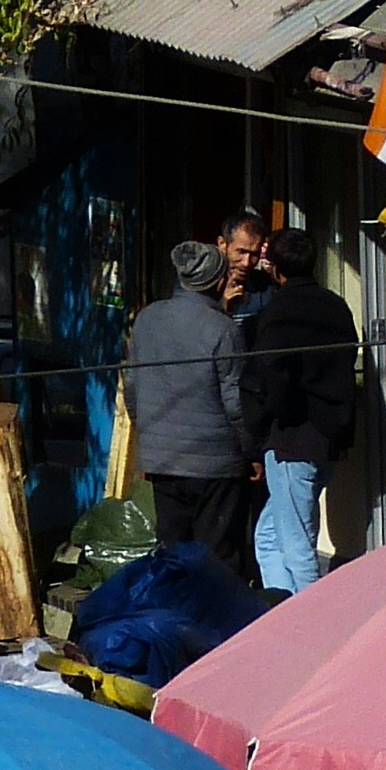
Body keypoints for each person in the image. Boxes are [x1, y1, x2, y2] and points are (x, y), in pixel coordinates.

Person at [240, 230, 363, 597]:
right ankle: (281, 607)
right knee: (270, 533)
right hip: (328, 437)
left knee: (296, 544)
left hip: (294, 440)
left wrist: (271, 417)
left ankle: (311, 618)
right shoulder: (335, 306)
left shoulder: (279, 313)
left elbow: (271, 372)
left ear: (275, 270)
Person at [123, 239, 255, 573]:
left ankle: (179, 621)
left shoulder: (147, 319)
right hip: (216, 463)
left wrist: (150, 436)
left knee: (174, 558)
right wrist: (250, 451)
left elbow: (132, 389)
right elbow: (235, 402)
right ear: (220, 281)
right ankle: (222, 625)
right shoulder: (223, 329)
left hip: (164, 461)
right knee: (217, 560)